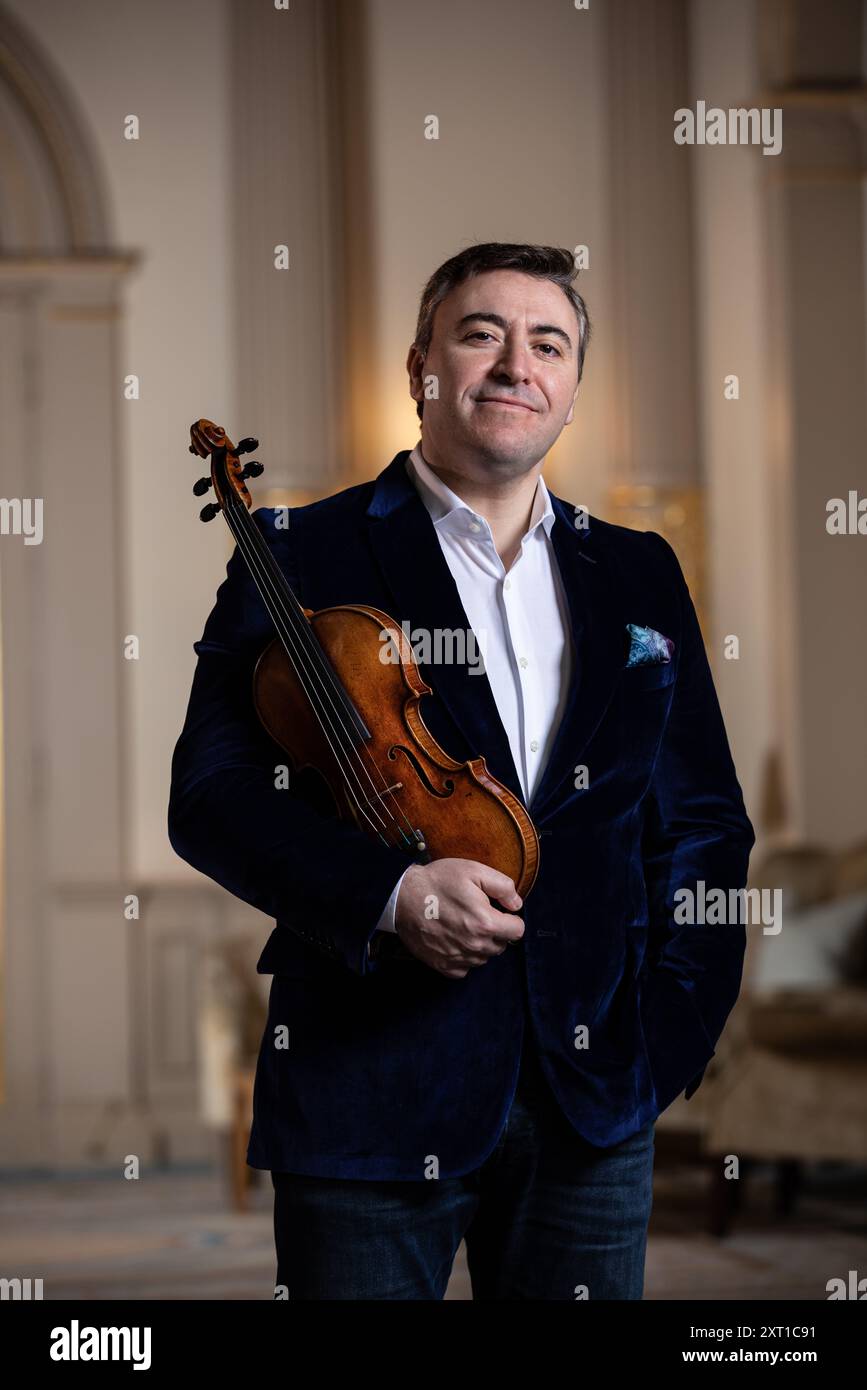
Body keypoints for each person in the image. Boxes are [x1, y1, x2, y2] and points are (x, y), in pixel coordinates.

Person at [168, 242, 755, 1300]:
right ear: (421, 368)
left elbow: (706, 823)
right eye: (480, 333)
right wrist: (390, 896)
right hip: (368, 1089)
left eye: (549, 343)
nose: (514, 364)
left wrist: (668, 1043)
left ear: (573, 390)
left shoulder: (639, 570)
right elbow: (210, 795)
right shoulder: (298, 549)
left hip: (595, 1101)